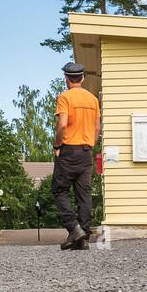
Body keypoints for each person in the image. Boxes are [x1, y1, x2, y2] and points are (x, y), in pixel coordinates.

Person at [52, 61, 101, 250]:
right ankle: (83, 238)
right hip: (87, 151)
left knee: (59, 190)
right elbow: (97, 127)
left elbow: (62, 124)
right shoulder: (93, 99)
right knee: (84, 194)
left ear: (66, 79)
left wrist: (57, 144)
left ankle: (73, 228)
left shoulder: (65, 97)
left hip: (69, 150)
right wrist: (90, 144)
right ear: (83, 78)